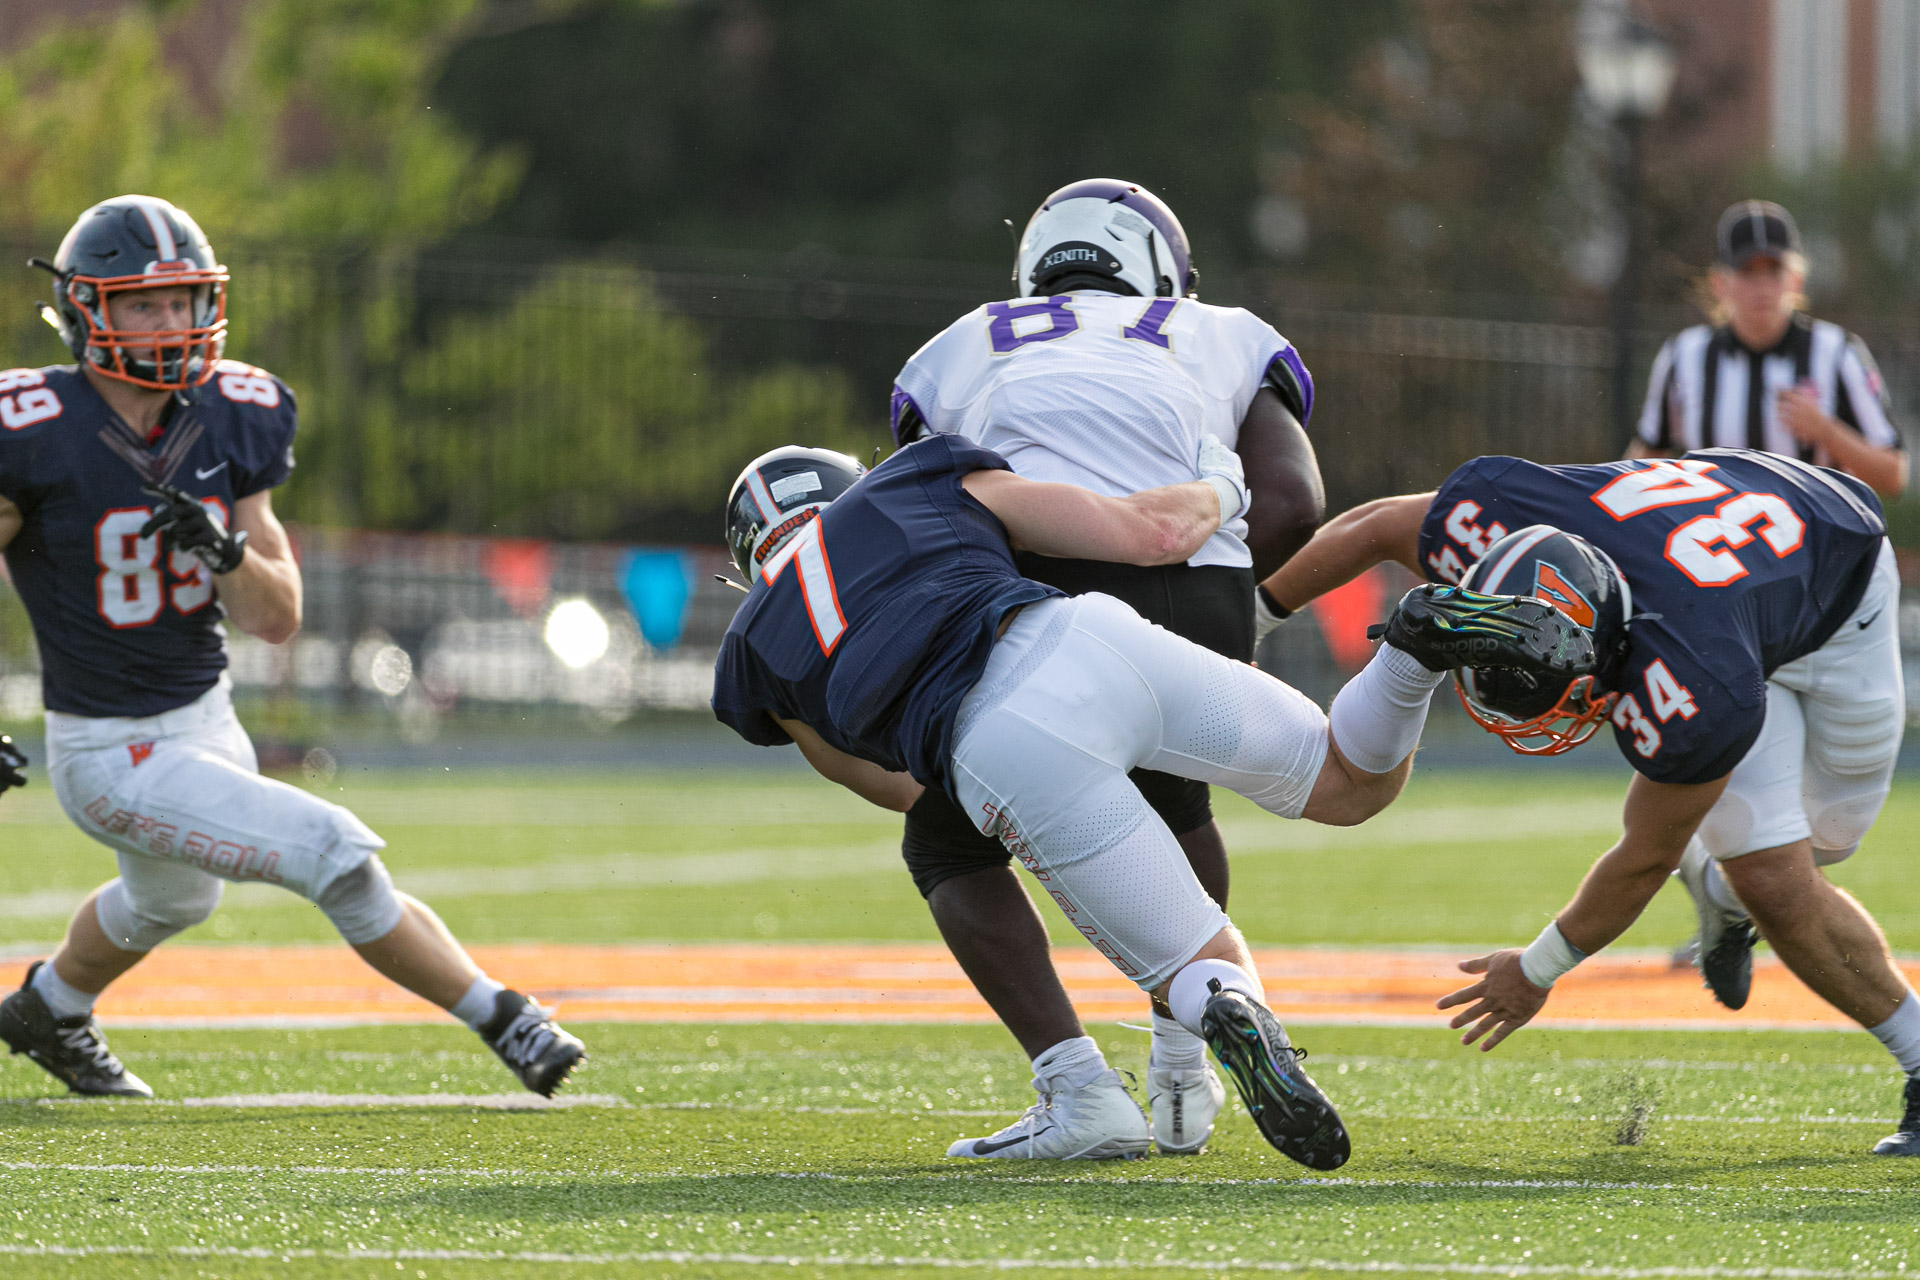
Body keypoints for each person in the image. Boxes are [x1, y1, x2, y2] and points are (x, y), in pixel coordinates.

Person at [710, 435, 1586, 1168]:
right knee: (1347, 783)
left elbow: (899, 789)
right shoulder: (914, 477)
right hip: (1085, 636)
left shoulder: (752, 649)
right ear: (848, 485)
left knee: (1199, 959)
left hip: (992, 744)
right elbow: (1149, 530)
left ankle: (1220, 1013)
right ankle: (1412, 649)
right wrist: (1221, 482)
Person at [0, 195, 585, 1099]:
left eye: (185, 301)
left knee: (172, 899)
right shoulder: (32, 426)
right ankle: (504, 1016)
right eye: (142, 304)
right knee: (329, 848)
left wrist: (225, 551)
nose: (171, 323)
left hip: (207, 722)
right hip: (108, 748)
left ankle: (50, 1006)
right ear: (88, 309)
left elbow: (276, 618)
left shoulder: (238, 411)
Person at [1256, 447, 1920, 1156]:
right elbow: (1377, 525)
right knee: (1774, 881)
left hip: (1838, 591)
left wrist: (1535, 970)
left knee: (1829, 842)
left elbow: (1643, 859)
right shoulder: (1510, 525)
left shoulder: (1695, 677)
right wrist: (1250, 625)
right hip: (1719, 582)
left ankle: (1722, 883)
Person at [887, 178, 1323, 1158]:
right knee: (1177, 807)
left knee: (950, 842)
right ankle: (1182, 1069)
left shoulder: (961, 343)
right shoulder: (1219, 329)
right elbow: (1294, 501)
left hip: (1041, 598)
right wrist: (1227, 608)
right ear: (1164, 268)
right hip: (1200, 578)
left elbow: (919, 518)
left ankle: (1075, 1085)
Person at [1632, 200, 1905, 498]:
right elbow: (1645, 459)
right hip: (1712, 537)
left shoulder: (1838, 352)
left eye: (1774, 269)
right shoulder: (1683, 355)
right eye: (1747, 270)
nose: (1762, 285)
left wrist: (1827, 432)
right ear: (1720, 284)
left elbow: (1893, 474)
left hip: (1811, 541)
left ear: (1796, 280)